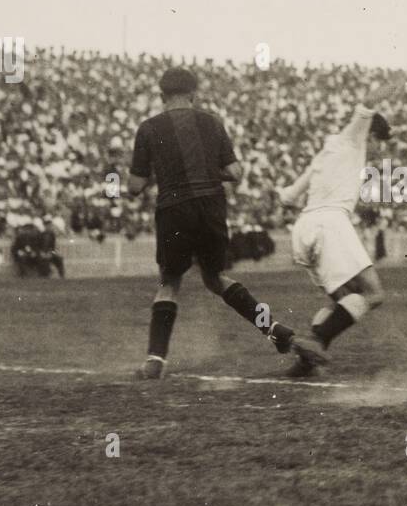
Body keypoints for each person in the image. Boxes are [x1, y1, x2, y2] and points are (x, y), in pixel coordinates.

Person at [128, 66, 307, 379]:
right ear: (193, 93)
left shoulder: (148, 128)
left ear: (162, 95)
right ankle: (274, 329)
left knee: (170, 282)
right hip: (211, 205)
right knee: (215, 278)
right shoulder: (212, 122)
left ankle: (155, 360)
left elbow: (134, 186)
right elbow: (236, 172)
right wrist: (210, 171)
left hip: (175, 207)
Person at [277, 103, 392, 376]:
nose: (380, 149)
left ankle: (305, 363)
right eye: (380, 142)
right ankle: (315, 341)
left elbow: (288, 197)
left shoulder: (325, 155)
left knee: (341, 301)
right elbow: (366, 107)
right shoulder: (352, 141)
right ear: (370, 135)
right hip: (330, 225)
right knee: (374, 294)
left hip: (304, 229)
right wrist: (393, 85)